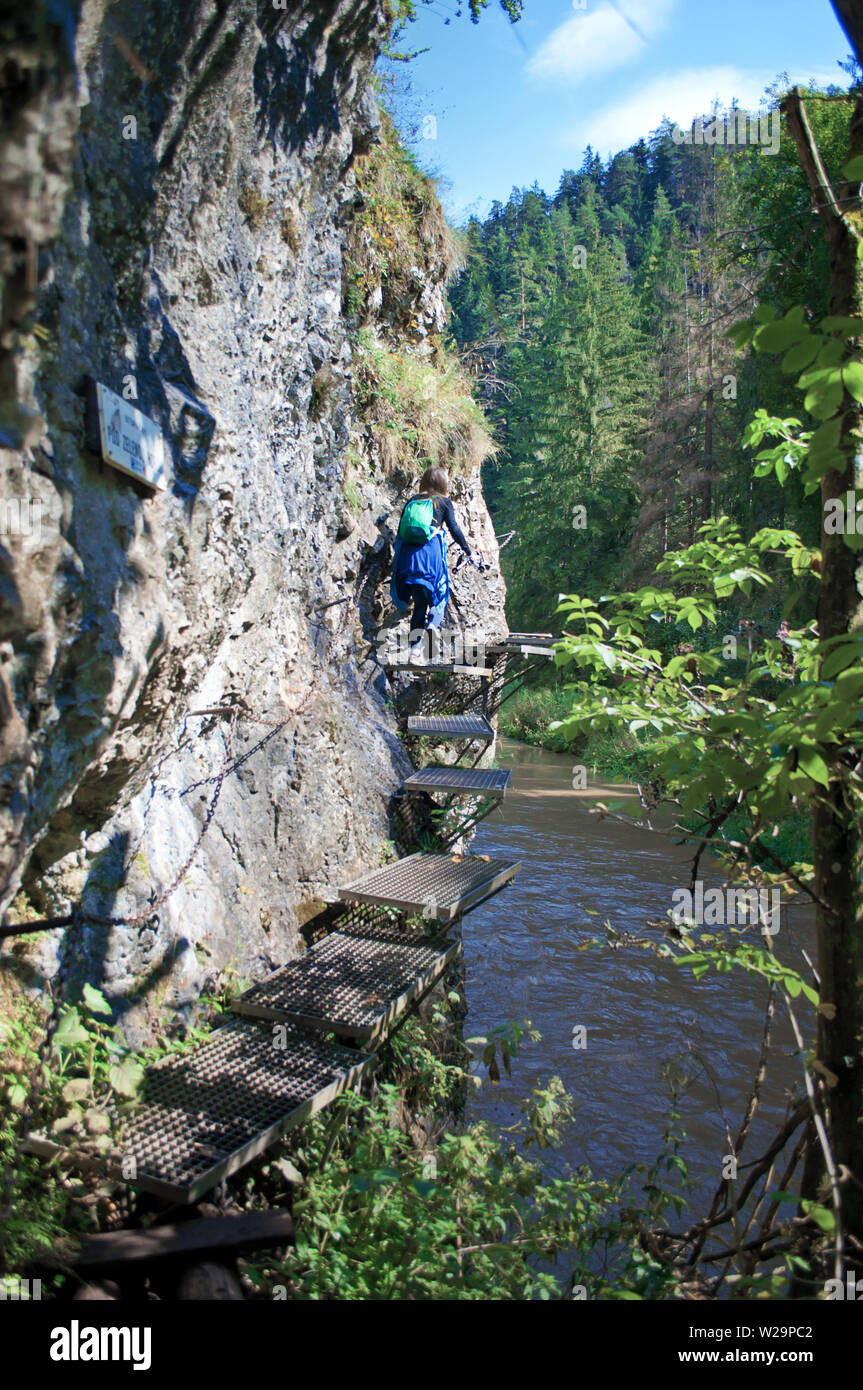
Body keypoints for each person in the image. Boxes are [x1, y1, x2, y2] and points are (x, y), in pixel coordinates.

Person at [389, 466, 475, 665]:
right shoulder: (443, 503)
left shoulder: (412, 501)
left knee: (420, 604)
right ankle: (432, 627)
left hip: (408, 559)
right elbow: (454, 528)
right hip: (431, 558)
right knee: (440, 598)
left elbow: (401, 531)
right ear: (443, 483)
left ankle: (415, 652)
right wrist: (468, 550)